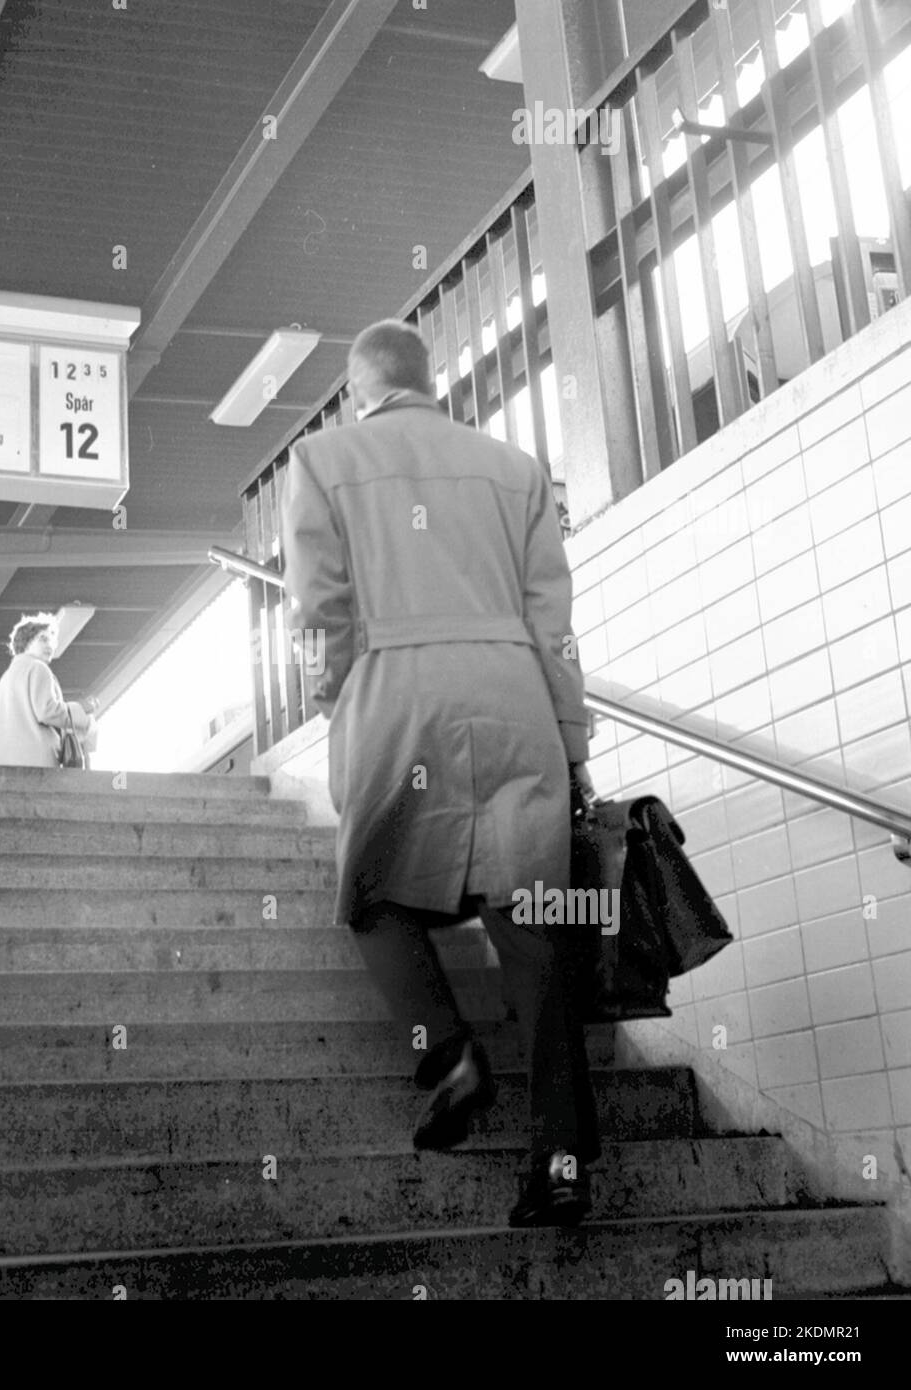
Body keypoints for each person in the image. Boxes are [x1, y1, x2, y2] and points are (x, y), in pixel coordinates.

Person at [279, 319, 600, 1228]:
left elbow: (319, 610)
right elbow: (554, 621)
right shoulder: (514, 468)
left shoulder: (322, 460)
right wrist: (572, 743)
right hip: (514, 699)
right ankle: (563, 1164)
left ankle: (451, 1053)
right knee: (534, 930)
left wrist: (337, 695)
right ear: (431, 381)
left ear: (357, 391)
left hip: (398, 695)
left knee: (374, 896)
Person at [0, 612, 95, 767]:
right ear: (26, 642)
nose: (49, 645)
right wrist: (82, 717)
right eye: (43, 639)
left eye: (52, 640)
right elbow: (47, 711)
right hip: (36, 764)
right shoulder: (37, 668)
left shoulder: (4, 681)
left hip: (4, 766)